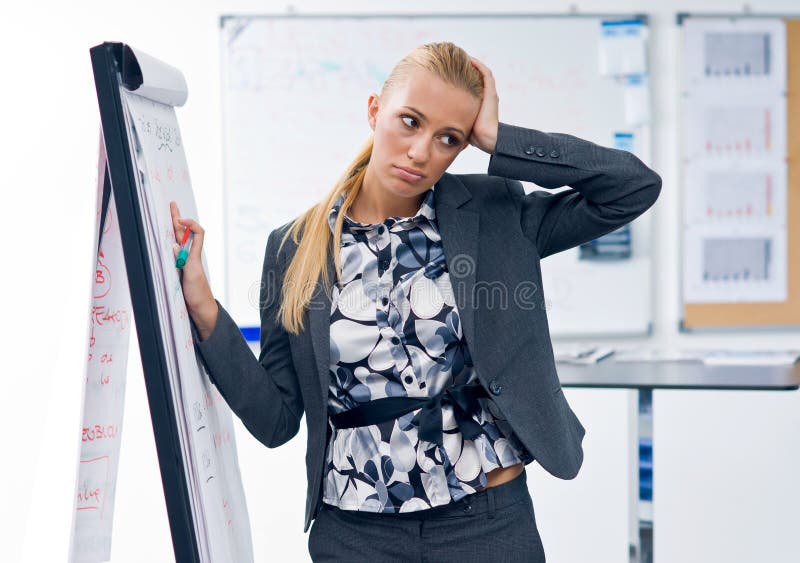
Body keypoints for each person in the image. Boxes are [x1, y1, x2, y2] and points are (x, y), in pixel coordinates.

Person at [170, 42, 661, 562]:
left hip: (486, 522)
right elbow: (276, 419)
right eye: (410, 122)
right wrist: (205, 310)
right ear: (374, 110)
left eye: (448, 138)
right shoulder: (294, 246)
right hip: (356, 535)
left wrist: (499, 140)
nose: (422, 152)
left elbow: (632, 188)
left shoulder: (496, 213)